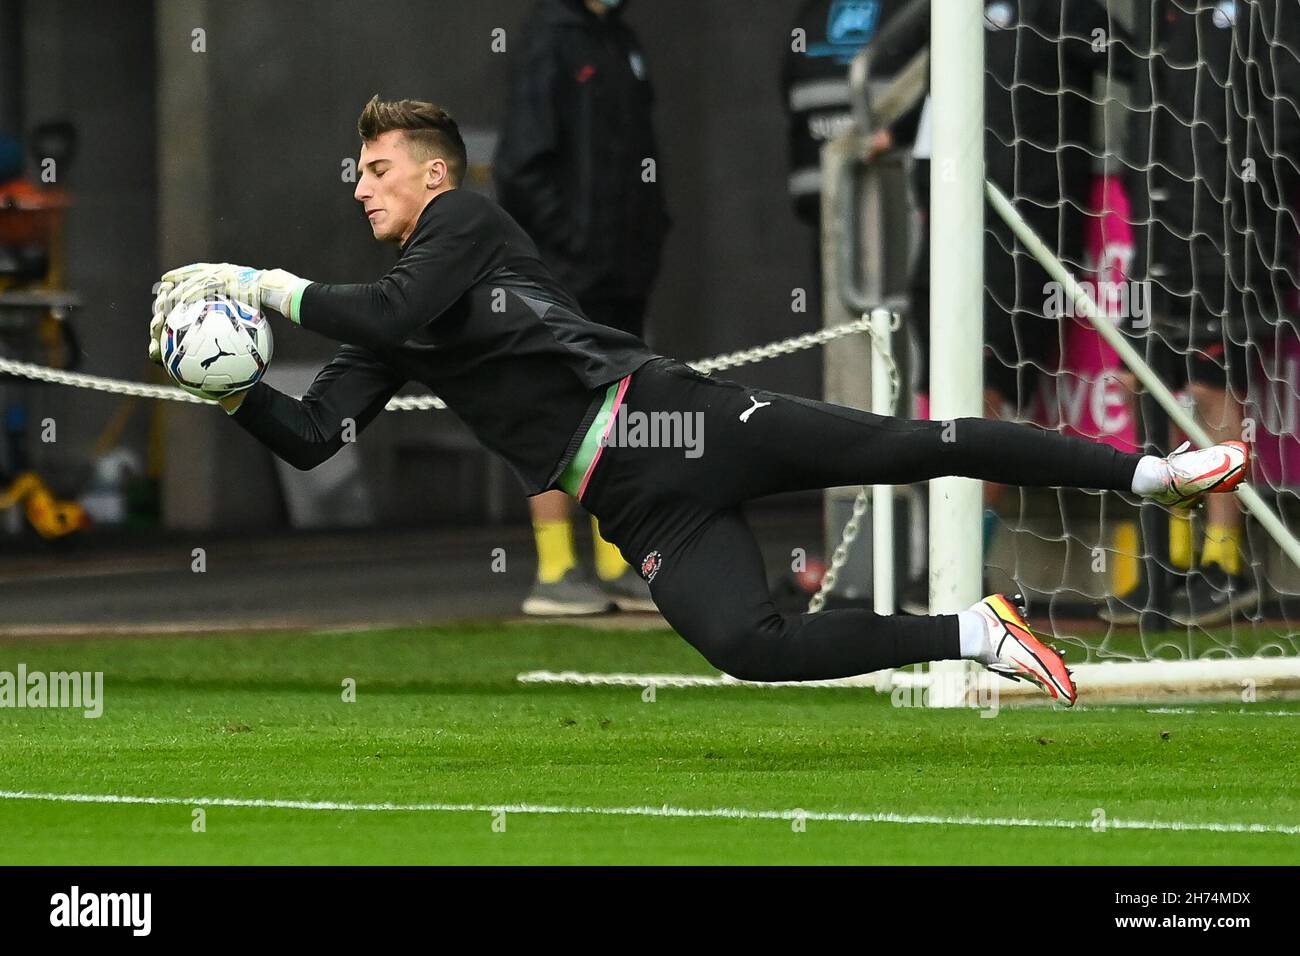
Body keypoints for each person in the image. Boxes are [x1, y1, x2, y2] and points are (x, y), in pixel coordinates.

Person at [148, 96, 1251, 707]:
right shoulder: (390, 303)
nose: (362, 186)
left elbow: (380, 314)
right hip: (634, 500)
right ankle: (975, 630)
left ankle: (1154, 473)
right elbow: (312, 436)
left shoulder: (462, 223)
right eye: (359, 172)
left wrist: (258, 286)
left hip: (670, 418)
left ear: (432, 175)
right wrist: (231, 386)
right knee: (749, 645)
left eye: (377, 166)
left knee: (917, 442)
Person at [493, 0, 669, 616]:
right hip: (565, 270)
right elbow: (521, 165)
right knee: (551, 410)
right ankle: (556, 569)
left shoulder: (620, 38)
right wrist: (568, 243)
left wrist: (648, 234)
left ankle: (617, 563)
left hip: (622, 269)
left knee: (619, 410)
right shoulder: (551, 37)